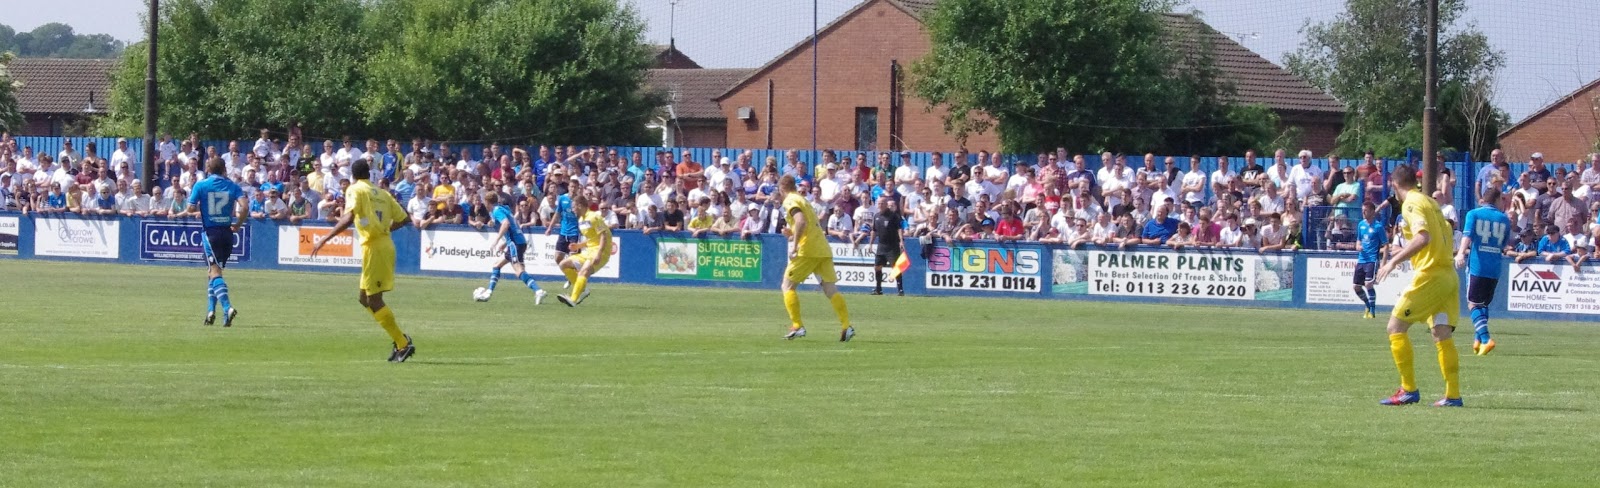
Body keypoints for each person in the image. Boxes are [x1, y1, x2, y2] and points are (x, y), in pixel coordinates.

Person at [1373, 165, 1462, 407]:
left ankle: (1408, 389)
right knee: (1441, 333)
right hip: (1448, 274)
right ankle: (1453, 395)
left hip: (1430, 275)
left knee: (1395, 327)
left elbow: (1423, 237)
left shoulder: (1411, 203)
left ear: (1394, 184)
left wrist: (1393, 261)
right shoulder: (1431, 202)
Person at [310, 159, 415, 363]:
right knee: (363, 298)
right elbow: (404, 218)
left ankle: (402, 343)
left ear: (353, 175)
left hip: (375, 248)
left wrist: (325, 238)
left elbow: (348, 217)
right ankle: (400, 339)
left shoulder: (355, 189)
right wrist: (385, 228)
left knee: (373, 300)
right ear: (369, 174)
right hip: (382, 245)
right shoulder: (383, 193)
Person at [776, 175, 854, 341]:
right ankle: (846, 326)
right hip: (822, 247)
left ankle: (797, 325)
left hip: (808, 249)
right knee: (830, 289)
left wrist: (795, 246)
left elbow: (801, 221)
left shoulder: (790, 200)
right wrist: (792, 233)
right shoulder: (803, 200)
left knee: (787, 286)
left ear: (782, 188)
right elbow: (807, 225)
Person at [187, 158, 248, 327]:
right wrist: (238, 224)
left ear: (208, 169)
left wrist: (199, 207)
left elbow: (190, 207)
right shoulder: (233, 186)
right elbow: (244, 207)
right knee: (213, 272)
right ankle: (211, 311)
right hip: (227, 233)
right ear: (224, 170)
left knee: (215, 272)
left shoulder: (201, 185)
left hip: (211, 233)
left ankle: (227, 307)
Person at [1456, 188, 1511, 356]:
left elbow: (1467, 236)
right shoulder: (1504, 219)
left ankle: (1486, 339)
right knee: (1483, 304)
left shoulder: (1473, 214)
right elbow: (1503, 244)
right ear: (1497, 200)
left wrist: (1460, 253)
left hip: (1478, 265)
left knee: (1473, 304)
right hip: (1495, 267)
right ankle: (1478, 340)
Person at [477, 192, 548, 305]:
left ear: (487, 202)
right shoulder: (503, 208)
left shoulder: (497, 210)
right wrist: (505, 243)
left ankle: (538, 291)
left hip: (515, 244)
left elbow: (506, 224)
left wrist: (496, 240)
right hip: (518, 242)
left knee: (519, 271)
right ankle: (488, 292)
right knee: (497, 265)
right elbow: (513, 226)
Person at [555, 192, 612, 307]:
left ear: (580, 205)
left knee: (584, 271)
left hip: (600, 251)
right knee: (563, 264)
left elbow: (603, 236)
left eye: (573, 207)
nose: (572, 210)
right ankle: (583, 290)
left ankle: (573, 299)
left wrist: (599, 253)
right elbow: (592, 239)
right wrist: (578, 246)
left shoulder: (594, 217)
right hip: (589, 251)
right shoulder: (581, 220)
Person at [545, 182, 582, 288]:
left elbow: (583, 216)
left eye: (575, 187)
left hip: (575, 233)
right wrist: (550, 228)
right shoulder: (562, 198)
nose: (573, 189)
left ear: (578, 188)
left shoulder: (579, 200)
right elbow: (557, 214)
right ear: (568, 187)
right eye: (571, 186)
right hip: (563, 232)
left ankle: (576, 280)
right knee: (558, 258)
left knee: (573, 259)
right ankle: (570, 276)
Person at [1354, 202, 1387, 318]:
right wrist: (1358, 246)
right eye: (1362, 210)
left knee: (1368, 284)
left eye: (1366, 210)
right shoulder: (1361, 225)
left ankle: (1372, 311)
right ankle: (1367, 305)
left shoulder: (1378, 227)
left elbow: (1386, 245)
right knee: (1356, 287)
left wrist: (1383, 263)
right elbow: (1358, 240)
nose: (1363, 212)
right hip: (1361, 260)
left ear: (1372, 212)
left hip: (1372, 260)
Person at [870, 195, 905, 296]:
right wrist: (871, 243)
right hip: (881, 245)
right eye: (879, 203)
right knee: (877, 267)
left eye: (882, 203)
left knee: (895, 267)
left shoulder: (893, 216)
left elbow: (899, 228)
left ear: (886, 204)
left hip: (892, 245)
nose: (880, 205)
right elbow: (874, 231)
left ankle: (900, 290)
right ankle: (878, 289)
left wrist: (901, 241)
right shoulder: (876, 216)